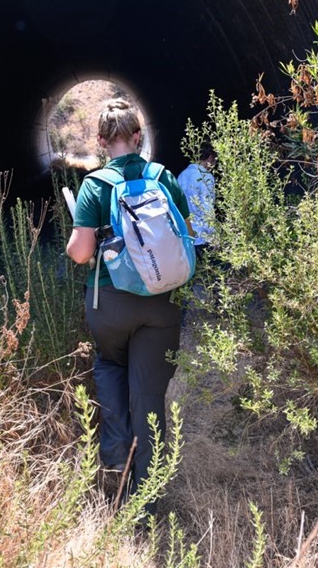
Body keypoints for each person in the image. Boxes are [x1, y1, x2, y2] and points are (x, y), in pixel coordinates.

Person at [65, 98, 191, 513]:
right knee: (149, 395)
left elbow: (81, 253)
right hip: (163, 303)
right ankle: (148, 498)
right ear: (139, 136)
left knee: (110, 366)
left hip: (111, 305)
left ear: (101, 141)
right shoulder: (163, 176)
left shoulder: (95, 186)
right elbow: (183, 236)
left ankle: (117, 461)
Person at [176, 145, 217, 262]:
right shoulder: (206, 177)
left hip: (186, 235)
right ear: (210, 158)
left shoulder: (182, 175)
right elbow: (207, 208)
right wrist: (214, 236)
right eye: (214, 161)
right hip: (203, 237)